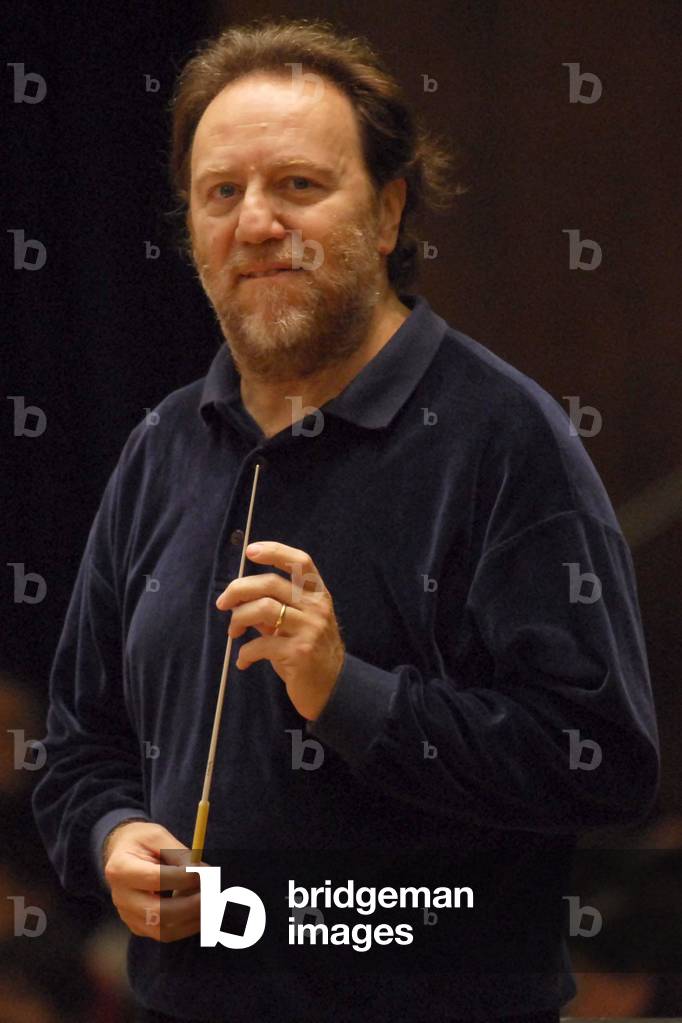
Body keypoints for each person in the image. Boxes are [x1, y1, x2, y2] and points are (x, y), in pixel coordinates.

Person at [32, 18, 660, 1023]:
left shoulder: (505, 437)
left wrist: (348, 694)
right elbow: (78, 749)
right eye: (221, 193)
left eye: (297, 185)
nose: (255, 223)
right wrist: (112, 834)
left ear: (388, 210)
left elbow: (602, 762)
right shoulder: (161, 446)